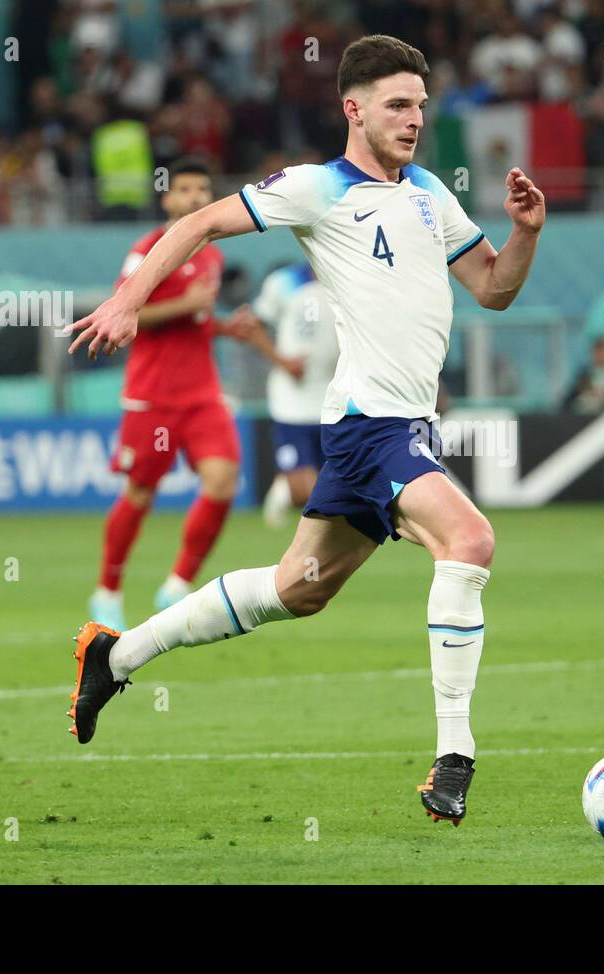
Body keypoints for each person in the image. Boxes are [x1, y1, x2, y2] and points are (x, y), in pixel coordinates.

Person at [63, 35, 546, 827]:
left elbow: (493, 289)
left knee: (299, 590)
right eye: (398, 104)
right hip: (371, 425)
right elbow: (197, 226)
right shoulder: (318, 189)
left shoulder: (432, 196)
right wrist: (129, 301)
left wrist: (524, 233)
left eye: (421, 105)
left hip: (396, 426)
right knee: (472, 542)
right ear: (353, 110)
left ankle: (115, 656)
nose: (415, 119)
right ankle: (455, 753)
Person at [87, 157, 260, 633]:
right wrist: (187, 305)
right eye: (185, 189)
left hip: (202, 392)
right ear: (167, 197)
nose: (196, 197)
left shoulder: (212, 253)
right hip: (153, 396)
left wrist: (225, 327)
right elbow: (122, 314)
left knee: (223, 482)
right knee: (141, 491)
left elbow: (196, 323)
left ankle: (178, 585)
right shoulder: (145, 252)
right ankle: (107, 589)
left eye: (203, 189)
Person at [244, 261, 340, 528]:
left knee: (332, 491)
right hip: (292, 401)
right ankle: (287, 488)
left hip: (335, 397)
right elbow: (252, 326)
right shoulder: (283, 282)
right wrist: (282, 361)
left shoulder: (348, 274)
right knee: (306, 493)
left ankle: (285, 488)